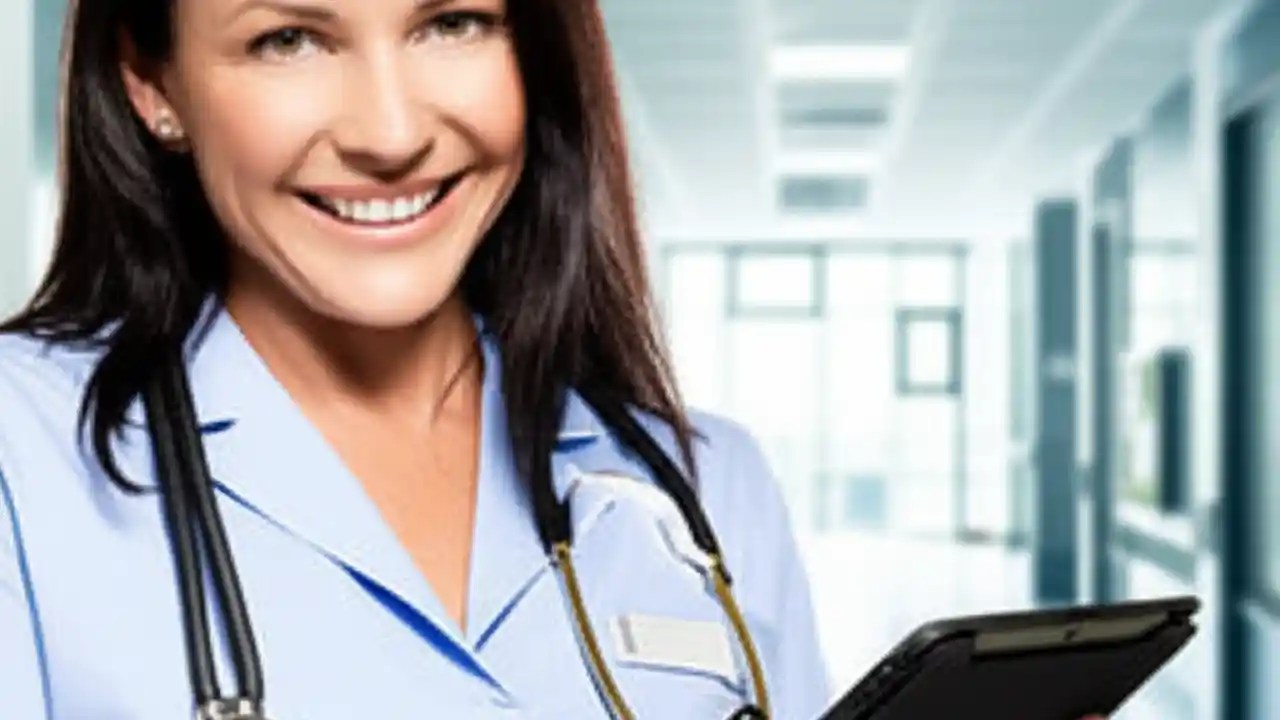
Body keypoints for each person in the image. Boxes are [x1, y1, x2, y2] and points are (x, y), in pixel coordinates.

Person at [0, 0, 830, 718]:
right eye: (288, 39)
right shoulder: (23, 456)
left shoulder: (709, 491)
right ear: (154, 84)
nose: (391, 135)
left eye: (454, 24)